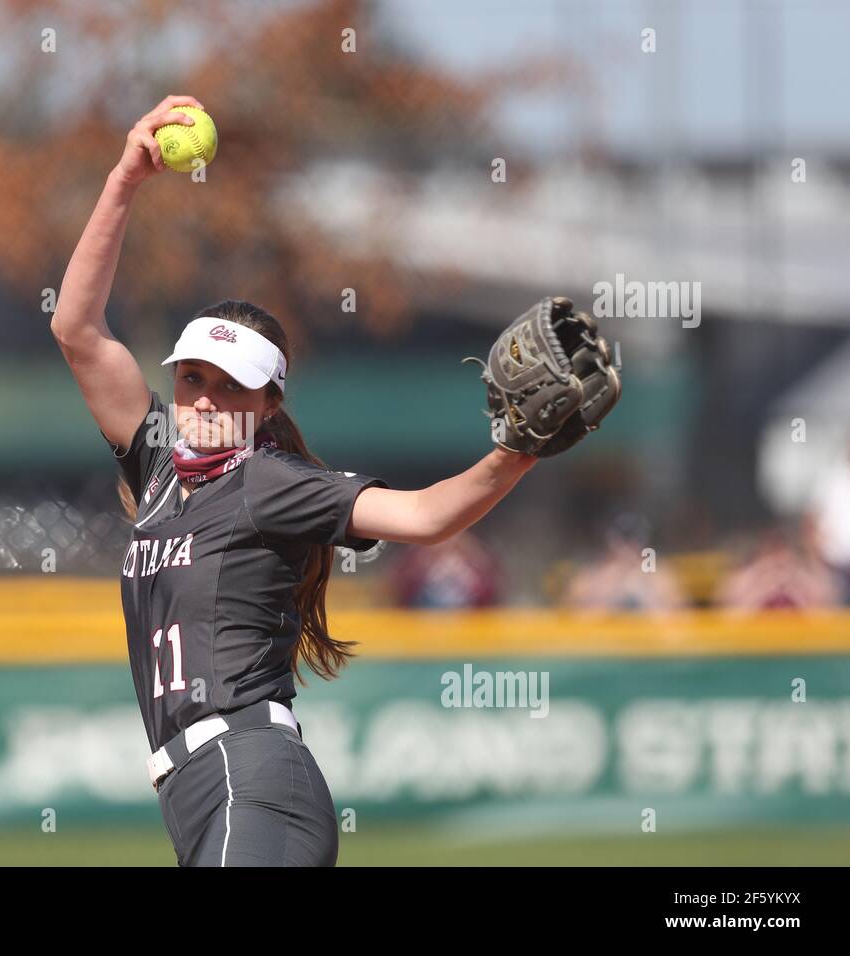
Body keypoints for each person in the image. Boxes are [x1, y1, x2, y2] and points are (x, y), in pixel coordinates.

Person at [49, 95, 611, 867]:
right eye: (192, 378)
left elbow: (423, 516)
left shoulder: (266, 482)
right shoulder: (156, 465)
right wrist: (124, 180)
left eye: (231, 383)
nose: (206, 397)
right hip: (196, 791)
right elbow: (77, 329)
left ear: (270, 400)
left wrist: (516, 450)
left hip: (253, 775)